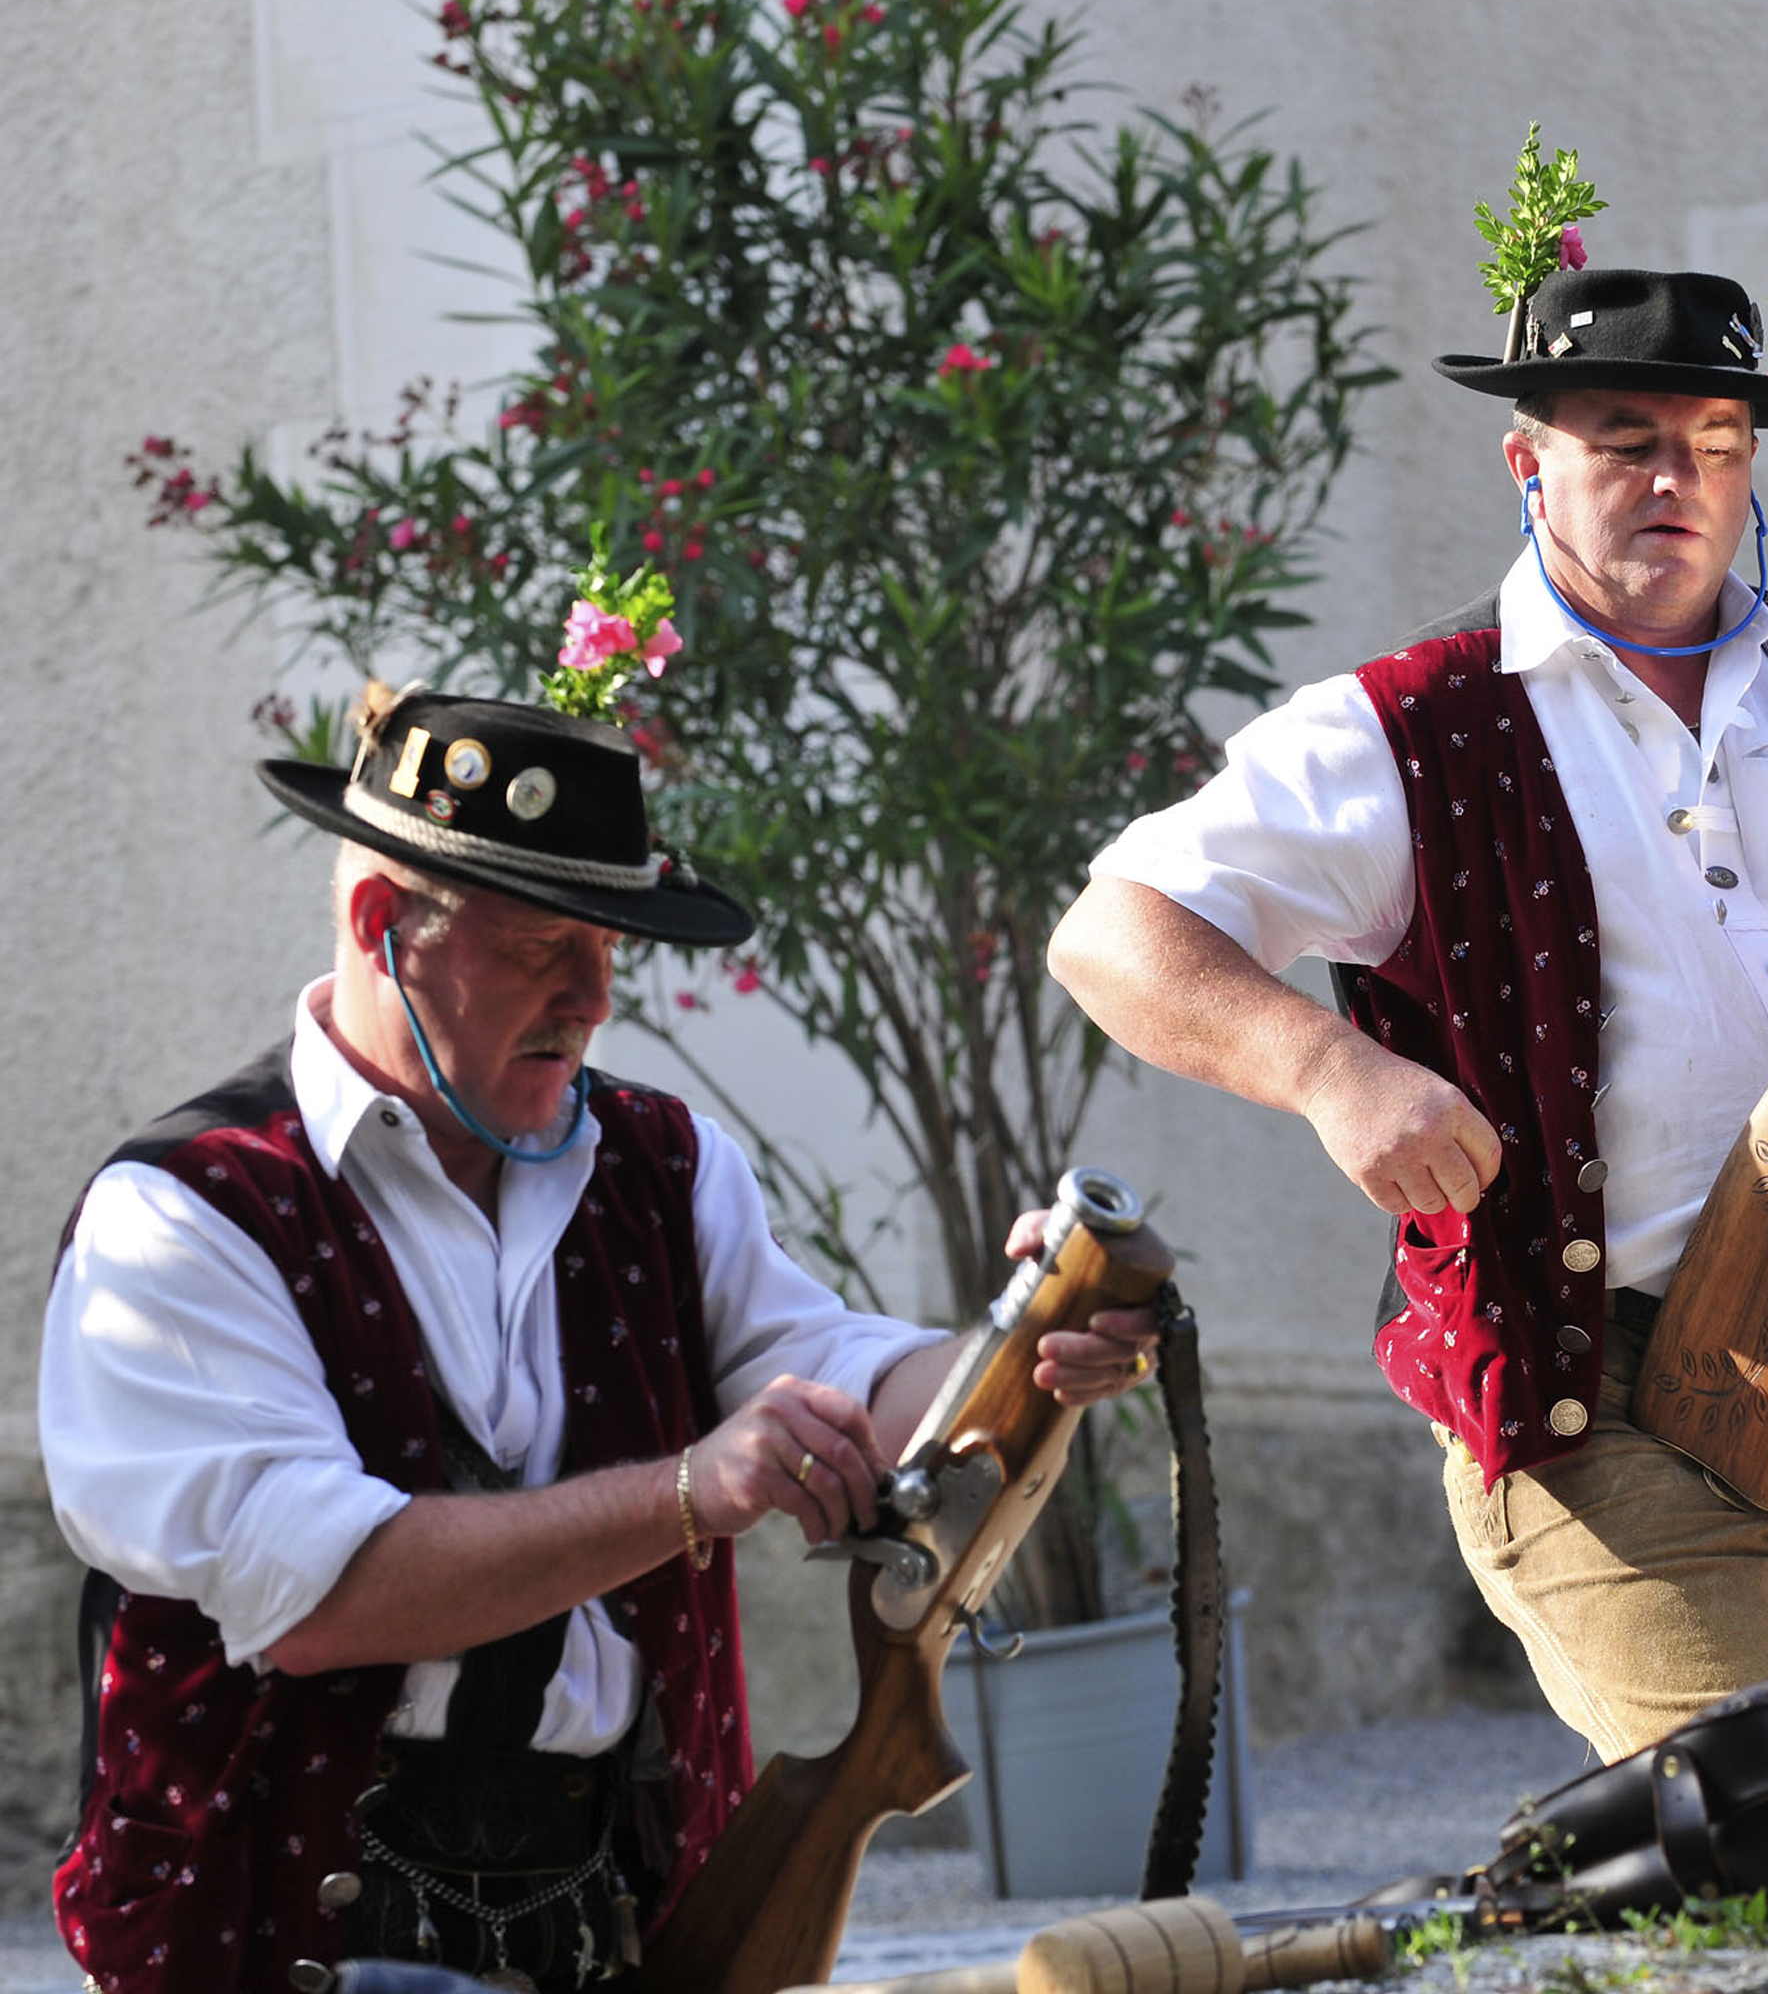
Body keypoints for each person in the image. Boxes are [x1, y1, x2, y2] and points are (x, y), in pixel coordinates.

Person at [1050, 263, 1768, 1765]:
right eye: (1628, 441)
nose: (1678, 478)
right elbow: (1111, 933)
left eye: (1717, 443)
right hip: (1608, 1405)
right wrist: (1331, 1071)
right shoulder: (1408, 726)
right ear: (1529, 459)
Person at [42, 684, 1158, 1994]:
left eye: (610, 946)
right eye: (542, 947)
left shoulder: (663, 1164)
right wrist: (693, 1491)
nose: (593, 996)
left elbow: (842, 1381)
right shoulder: (184, 1212)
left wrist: (1031, 1338)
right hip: (274, 1939)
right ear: (382, 925)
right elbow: (320, 1598)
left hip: (616, 1915)